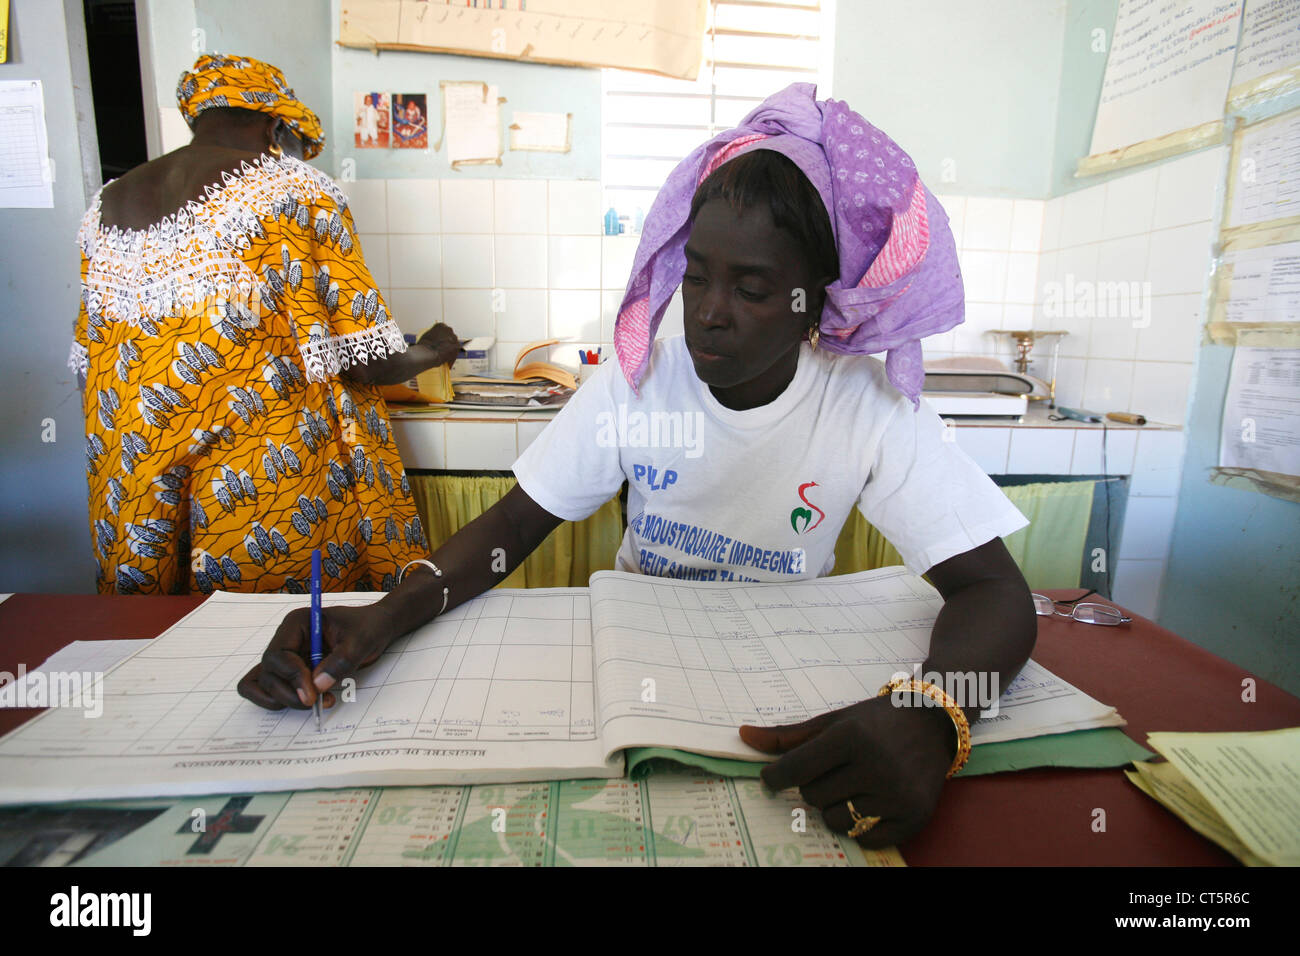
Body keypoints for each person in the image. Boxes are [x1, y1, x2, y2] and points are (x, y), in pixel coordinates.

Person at [238, 84, 1038, 848]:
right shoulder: (638, 378)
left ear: (815, 300)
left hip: (782, 672)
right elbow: (516, 522)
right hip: (641, 674)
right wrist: (387, 612)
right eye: (696, 275)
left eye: (753, 287)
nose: (709, 311)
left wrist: (935, 715)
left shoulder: (864, 404)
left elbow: (994, 591)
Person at [70, 54, 461, 595]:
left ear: (196, 116)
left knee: (155, 641)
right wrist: (438, 348)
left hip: (131, 466)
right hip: (258, 468)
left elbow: (96, 353)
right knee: (272, 638)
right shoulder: (298, 191)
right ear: (274, 122)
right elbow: (370, 361)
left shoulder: (104, 204)